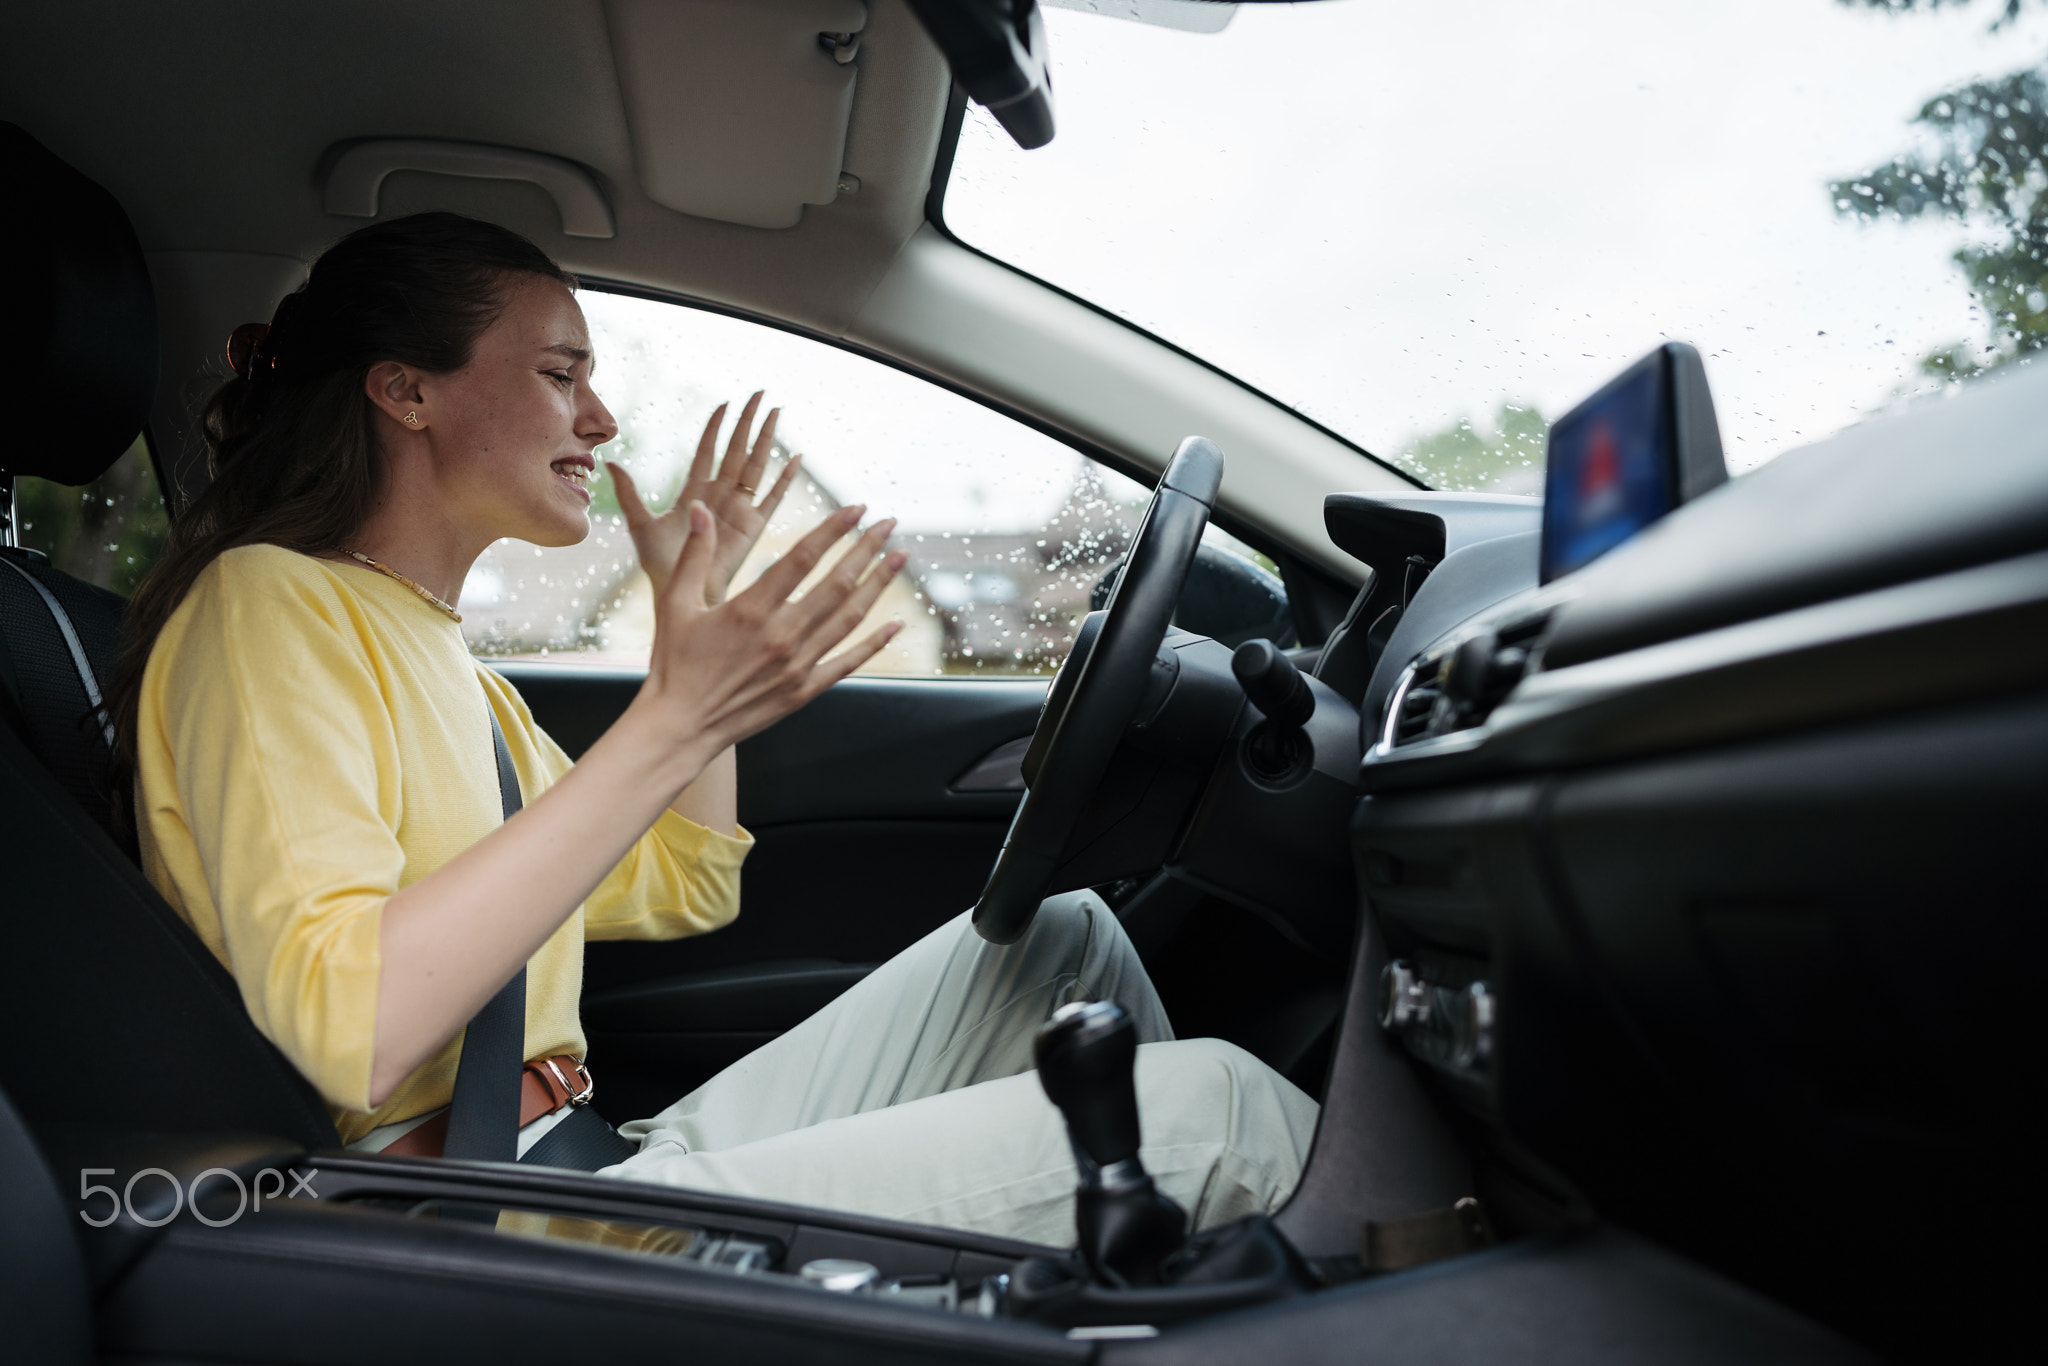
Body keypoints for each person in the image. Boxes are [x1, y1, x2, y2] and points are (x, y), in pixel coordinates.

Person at [114, 211, 1316, 1247]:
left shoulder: (444, 658)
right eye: (557, 374)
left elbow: (683, 884)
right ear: (406, 388)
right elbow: (347, 1031)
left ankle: (1159, 1276)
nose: (602, 420)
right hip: (480, 1214)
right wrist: (680, 712)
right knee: (1224, 1113)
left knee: (1065, 944)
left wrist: (679, 657)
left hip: (580, 1151)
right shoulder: (265, 607)